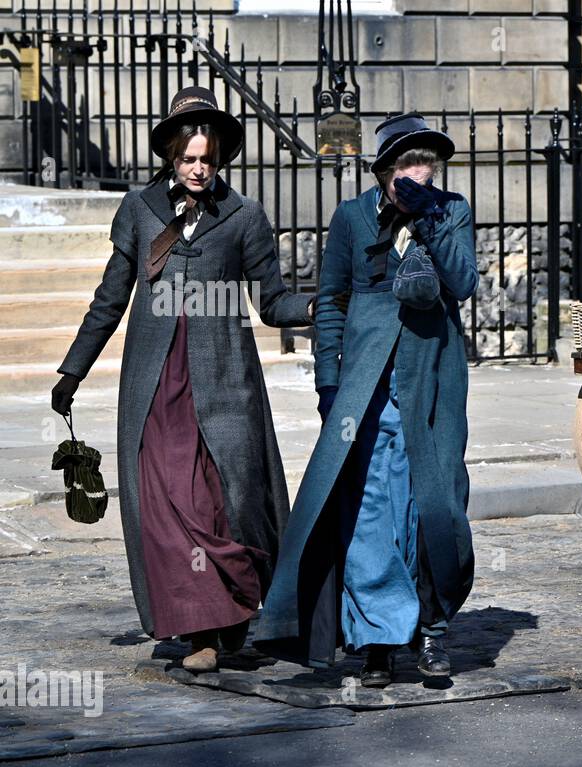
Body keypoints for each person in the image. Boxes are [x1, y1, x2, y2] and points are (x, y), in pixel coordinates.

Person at [49, 87, 315, 672]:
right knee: (167, 504)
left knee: (225, 499)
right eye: (190, 158)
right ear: (172, 154)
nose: (199, 169)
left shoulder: (244, 216)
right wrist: (73, 368)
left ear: (220, 161)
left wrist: (318, 311)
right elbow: (110, 298)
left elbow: (271, 302)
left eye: (209, 160)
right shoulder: (140, 211)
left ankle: (236, 613)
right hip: (154, 384)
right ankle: (199, 630)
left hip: (222, 381)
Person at [259, 112, 478, 689]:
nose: (417, 173)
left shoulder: (450, 210)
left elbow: (463, 283)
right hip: (366, 381)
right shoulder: (353, 218)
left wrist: (428, 219)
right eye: (406, 164)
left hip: (433, 375)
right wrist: (328, 383)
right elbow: (331, 301)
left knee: (438, 504)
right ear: (382, 171)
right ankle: (378, 639)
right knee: (371, 509)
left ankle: (432, 627)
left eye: (426, 164)